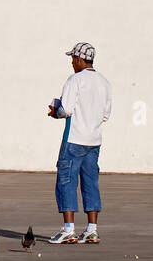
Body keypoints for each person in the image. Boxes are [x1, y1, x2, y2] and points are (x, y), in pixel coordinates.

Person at [46, 42, 113, 245]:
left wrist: (55, 111)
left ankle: (68, 230)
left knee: (66, 181)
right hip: (94, 141)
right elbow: (105, 114)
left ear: (78, 59)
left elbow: (65, 109)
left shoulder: (75, 80)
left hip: (74, 139)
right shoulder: (104, 82)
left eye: (72, 59)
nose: (72, 63)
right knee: (91, 182)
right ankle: (92, 230)